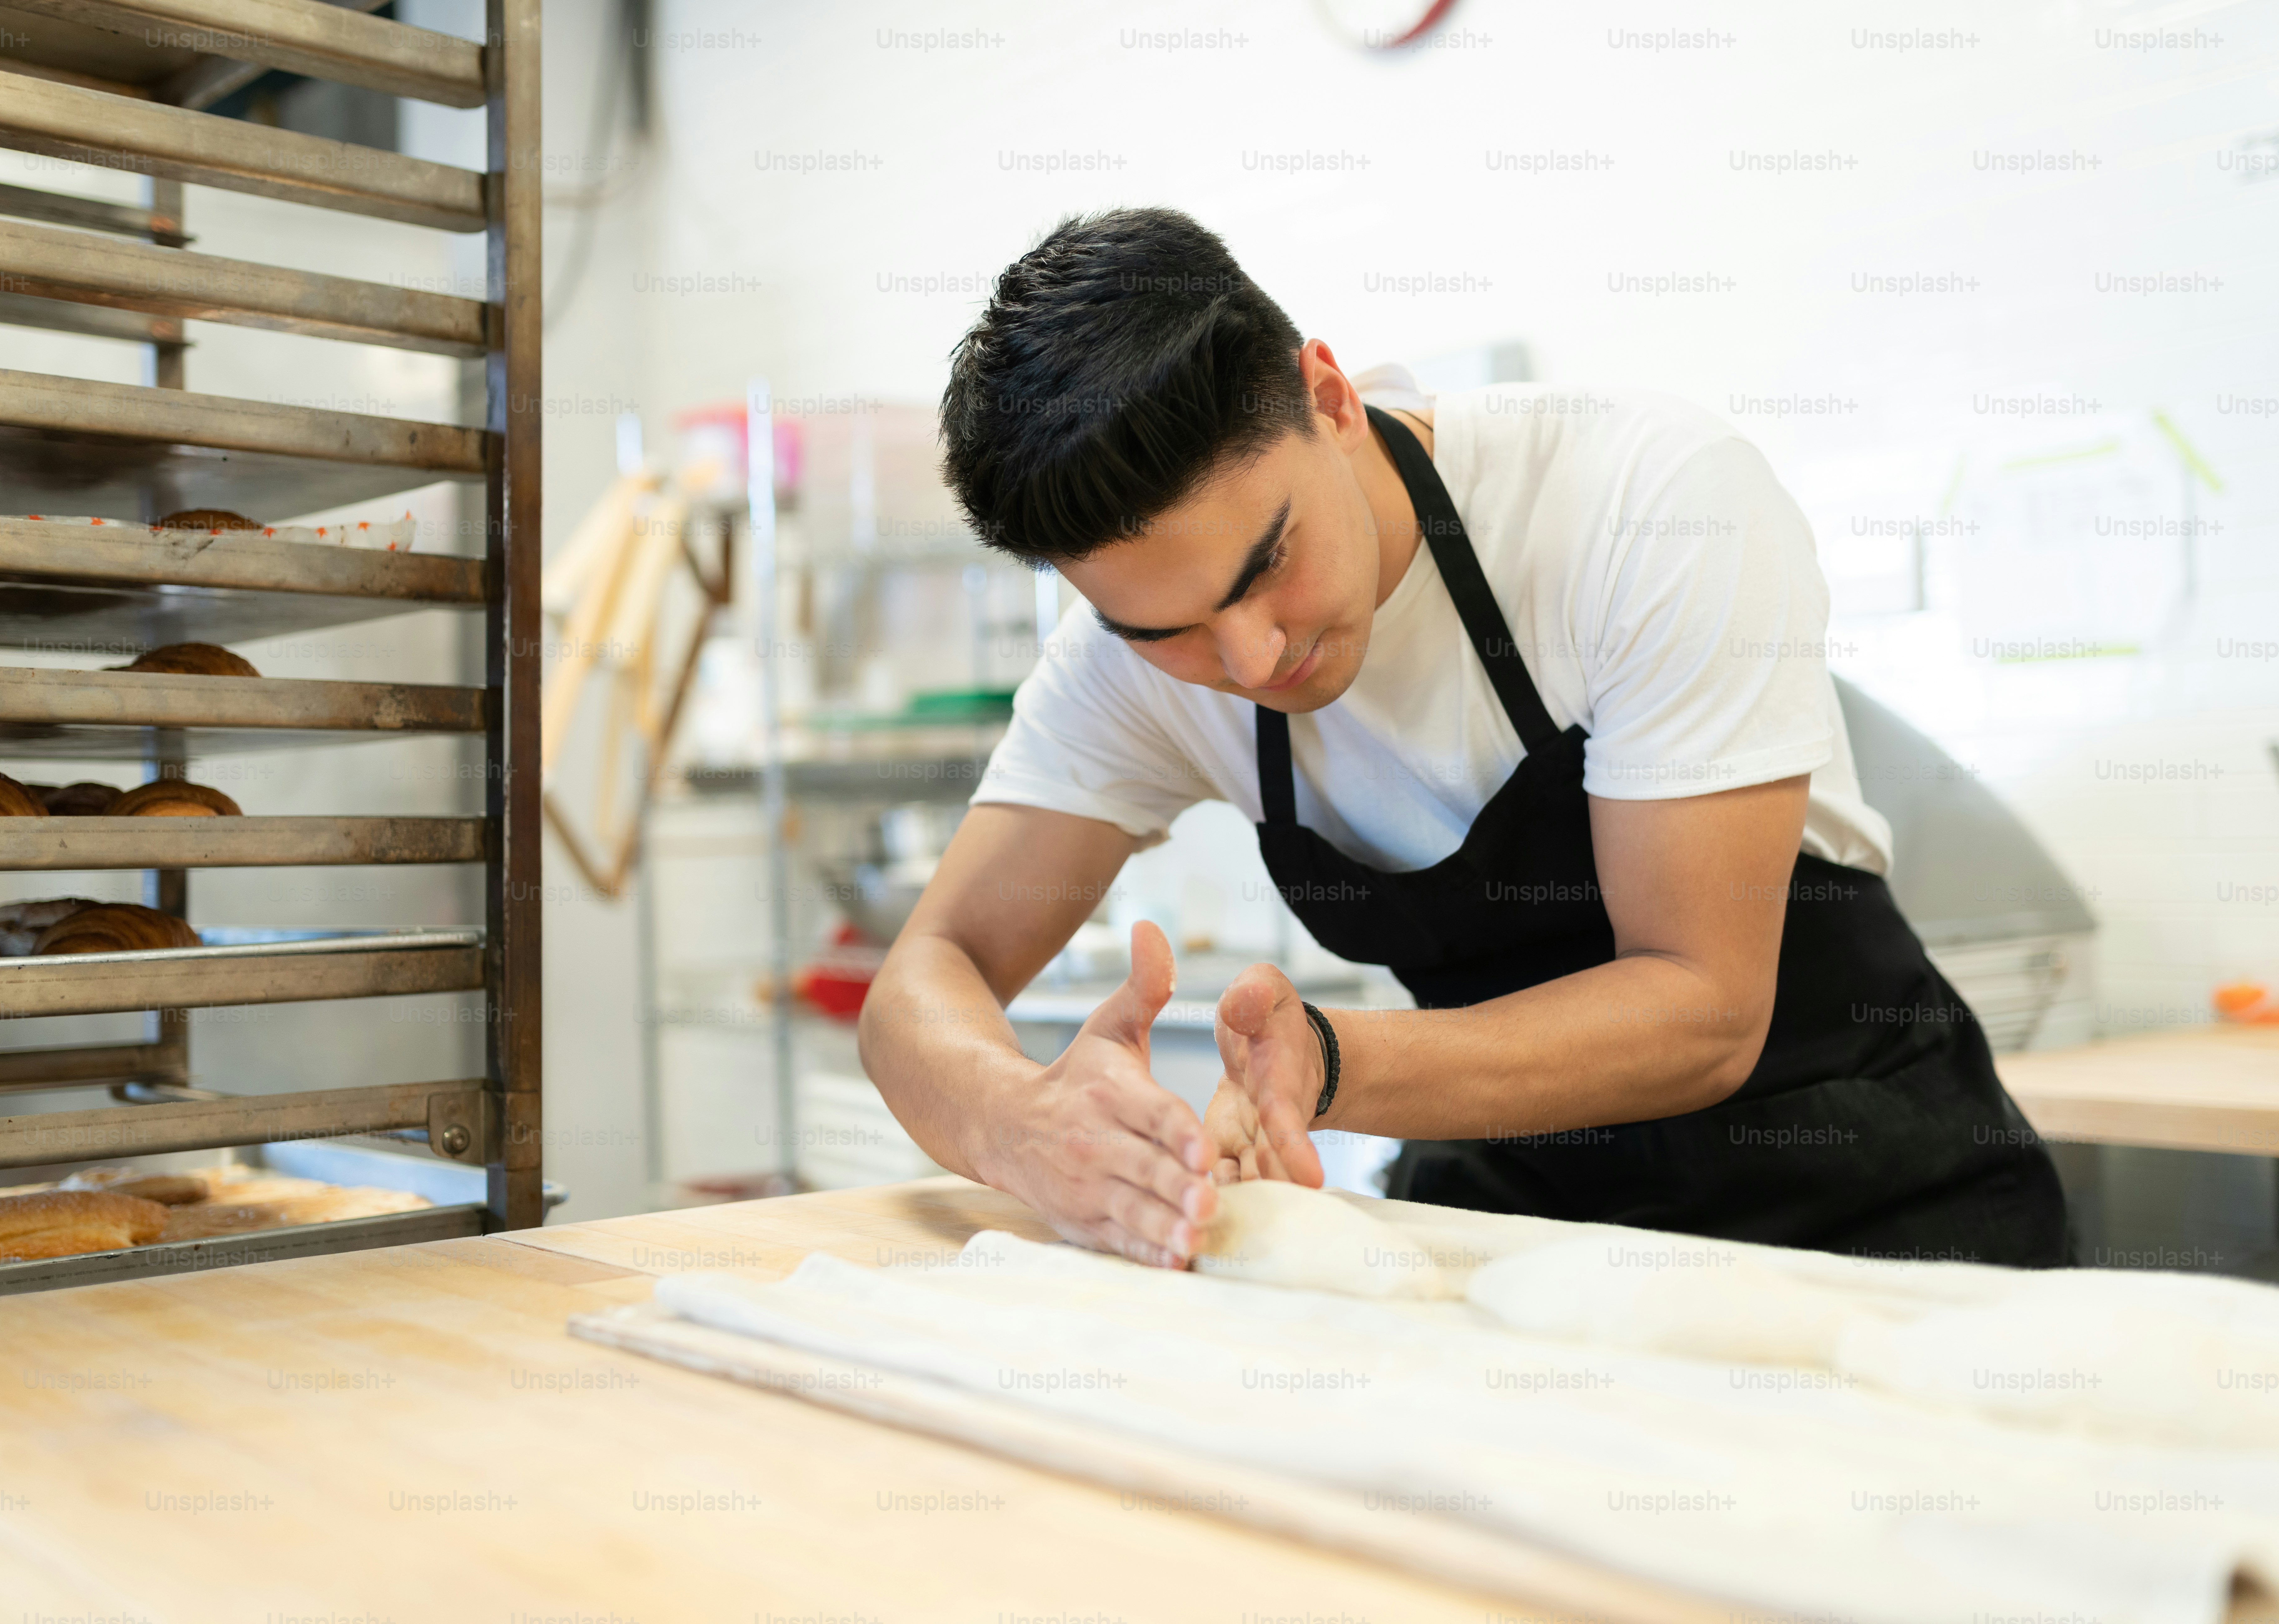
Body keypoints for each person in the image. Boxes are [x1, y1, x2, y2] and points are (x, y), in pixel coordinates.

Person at [857, 206, 2068, 1270]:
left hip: (1871, 1215)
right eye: (1167, 628)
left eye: (1268, 563)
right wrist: (1022, 1121)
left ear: (1329, 397)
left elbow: (1702, 1006)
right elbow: (922, 977)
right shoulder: (1118, 667)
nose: (1251, 659)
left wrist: (1330, 1062)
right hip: (1532, 1243)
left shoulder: (1643, 504)